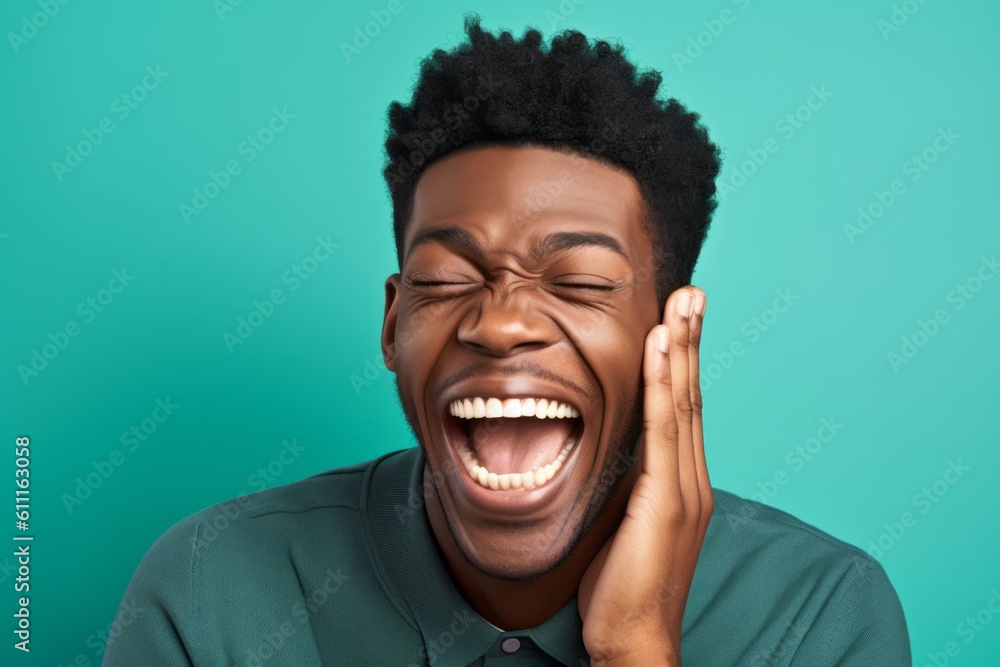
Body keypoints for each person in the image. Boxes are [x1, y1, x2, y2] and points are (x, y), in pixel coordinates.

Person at [103, 16, 910, 666]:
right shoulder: (210, 593)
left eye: (582, 283)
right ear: (392, 324)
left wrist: (636, 651)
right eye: (448, 279)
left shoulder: (820, 616)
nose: (500, 323)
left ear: (672, 337)